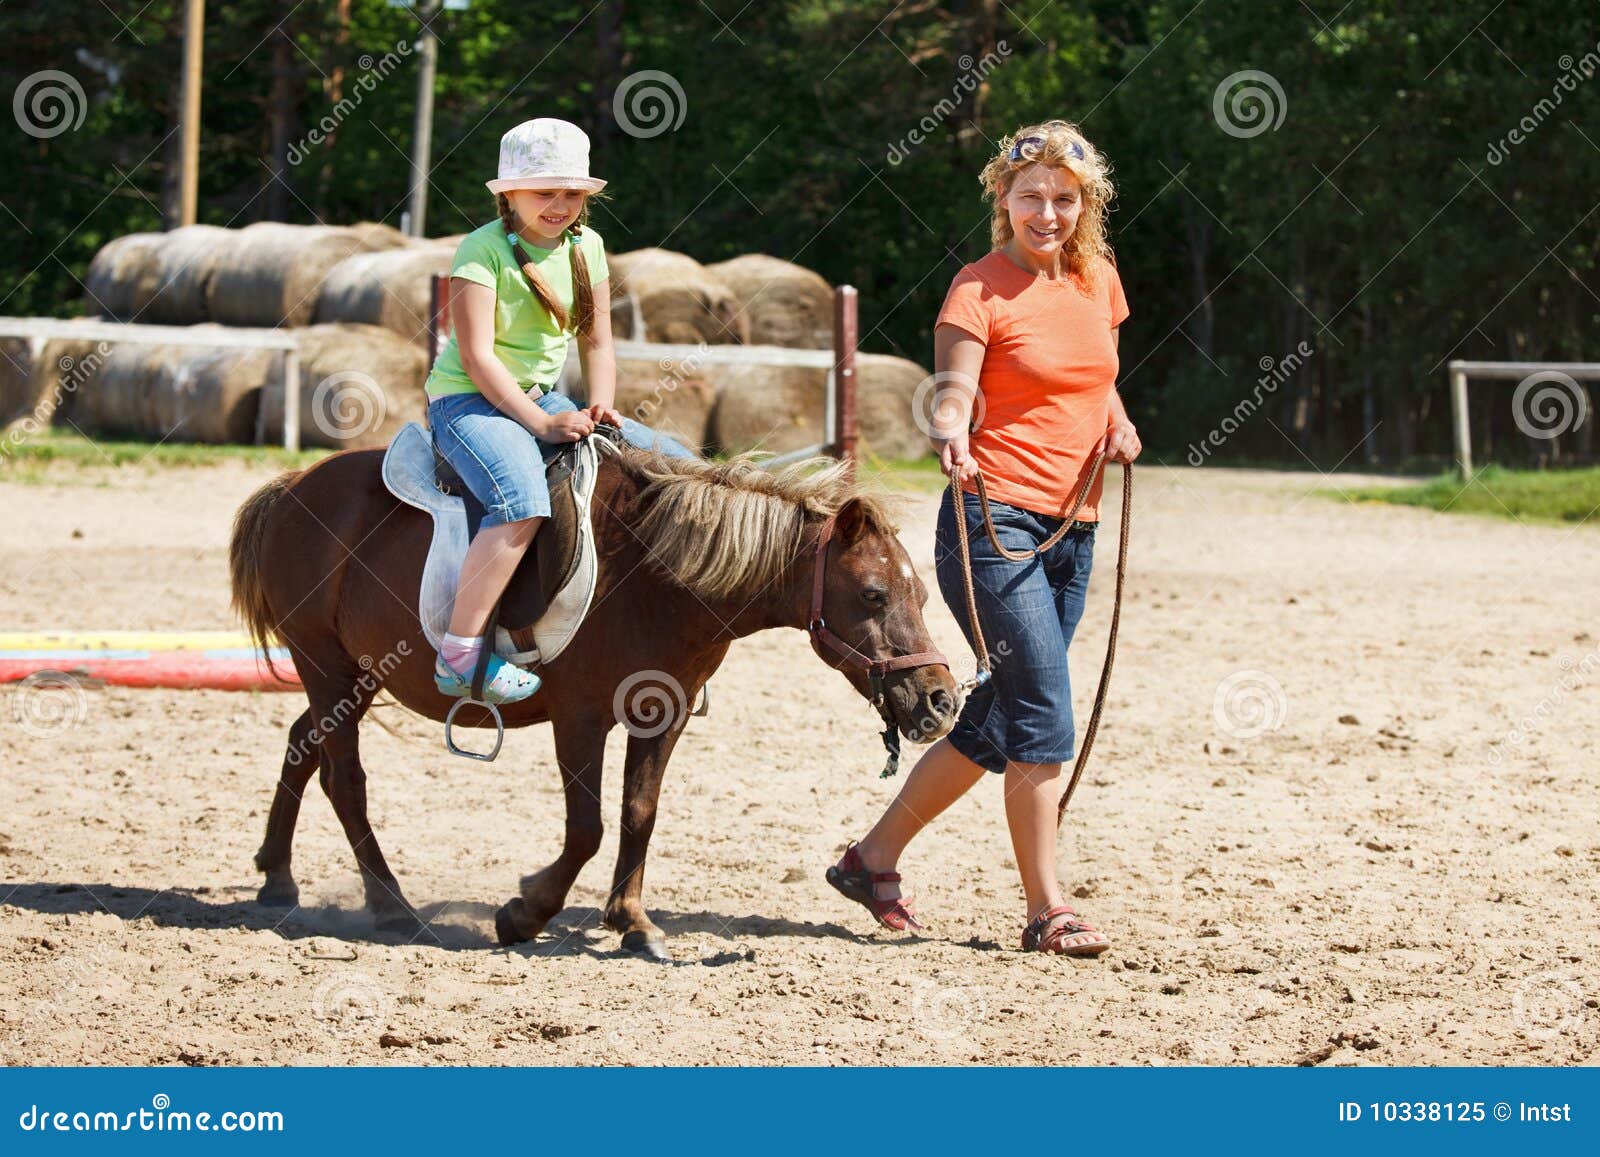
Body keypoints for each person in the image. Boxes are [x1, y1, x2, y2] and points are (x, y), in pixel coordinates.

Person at [826, 119, 1142, 957]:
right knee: (1041, 712)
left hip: (1075, 529)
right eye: (1031, 196)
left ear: (1086, 204)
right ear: (1003, 199)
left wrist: (1118, 423)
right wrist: (952, 433)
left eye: (1064, 199)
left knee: (1001, 716)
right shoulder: (978, 288)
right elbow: (953, 391)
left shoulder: (1098, 279)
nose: (1048, 213)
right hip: (992, 525)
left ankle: (873, 858)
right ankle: (1048, 910)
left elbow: (1098, 381)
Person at [426, 117, 695, 704]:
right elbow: (474, 356)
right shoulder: (482, 250)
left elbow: (596, 340)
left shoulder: (588, 248)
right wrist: (544, 423)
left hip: (545, 395)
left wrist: (600, 402)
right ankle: (461, 652)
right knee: (519, 500)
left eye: (571, 193)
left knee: (677, 465)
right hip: (468, 401)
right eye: (544, 192)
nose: (559, 204)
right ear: (510, 195)